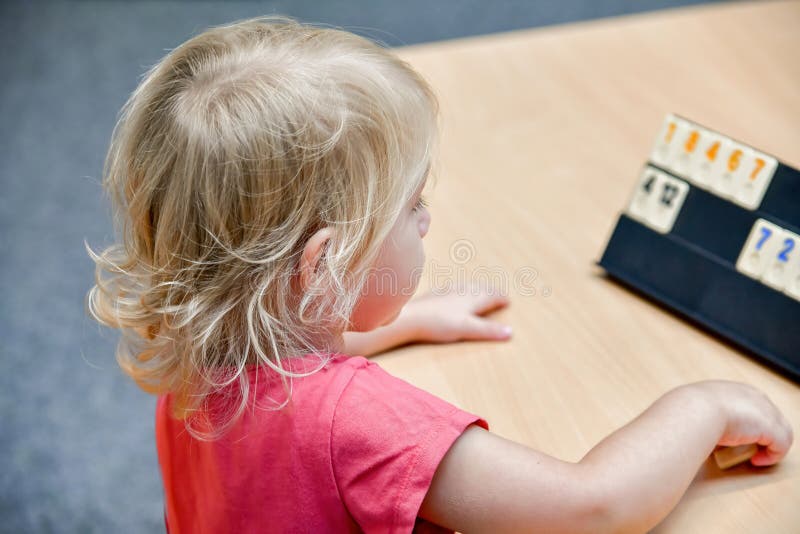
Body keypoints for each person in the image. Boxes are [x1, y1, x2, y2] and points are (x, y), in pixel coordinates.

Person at [86, 16, 793, 533]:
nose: (426, 221)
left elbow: (284, 360)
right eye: (411, 205)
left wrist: (413, 319)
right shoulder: (361, 422)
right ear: (322, 266)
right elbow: (593, 508)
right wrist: (703, 407)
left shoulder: (196, 346)